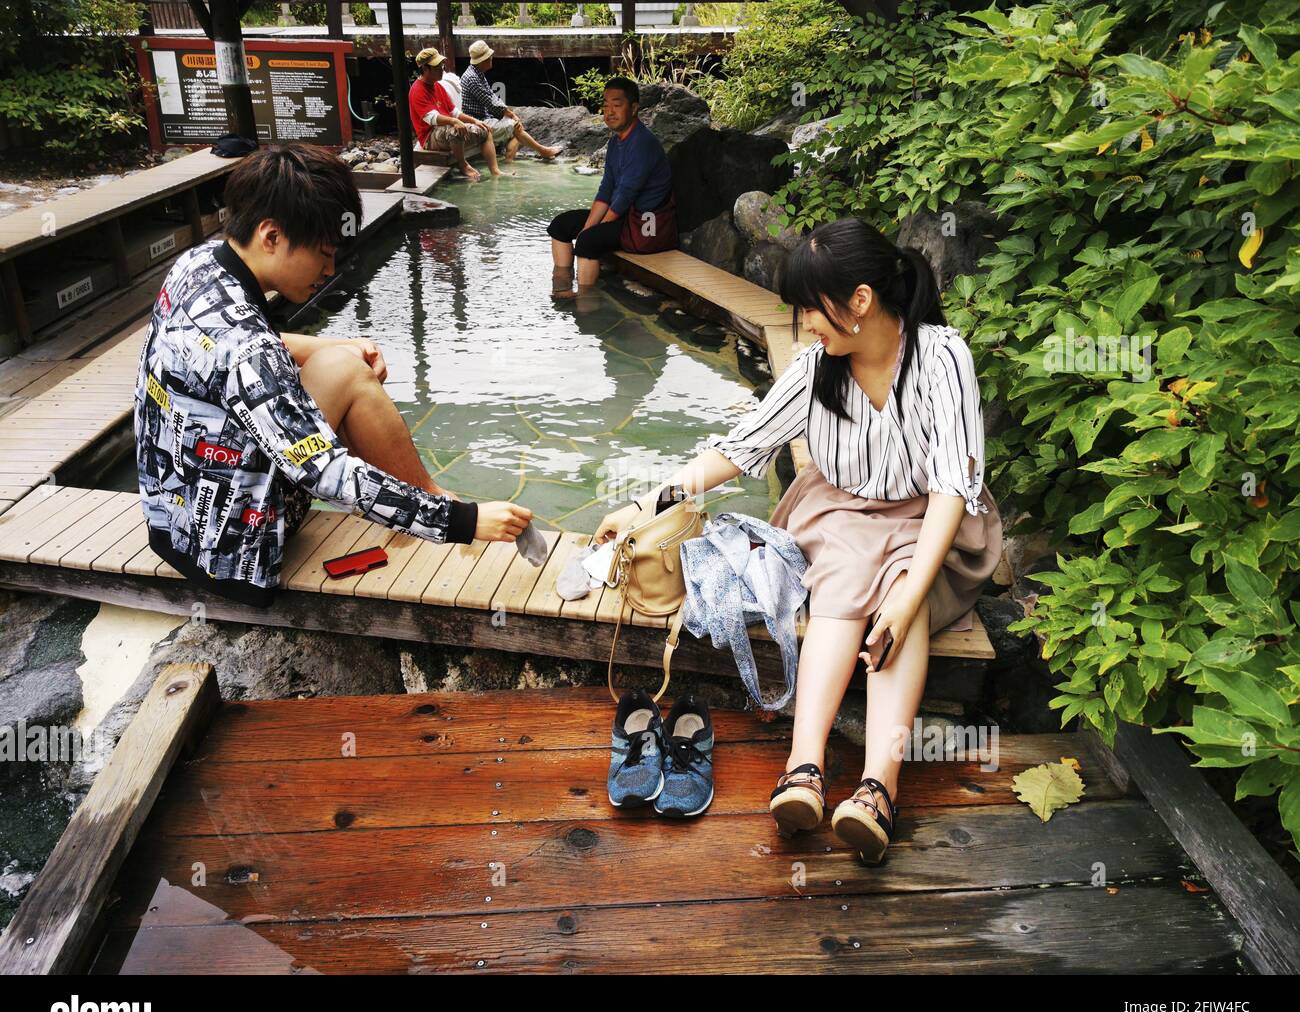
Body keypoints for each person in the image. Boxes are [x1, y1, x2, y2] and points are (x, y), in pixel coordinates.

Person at [595, 219, 1003, 864]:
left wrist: (907, 599)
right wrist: (645, 504)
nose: (805, 323)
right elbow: (740, 448)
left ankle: (879, 789)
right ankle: (804, 770)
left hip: (931, 522)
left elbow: (953, 488)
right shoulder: (818, 367)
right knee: (842, 582)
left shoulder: (940, 357)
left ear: (860, 300)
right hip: (838, 512)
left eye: (812, 308)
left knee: (904, 595)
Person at [134, 143, 532, 607]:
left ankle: (428, 497)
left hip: (175, 519)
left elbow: (247, 345)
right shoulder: (246, 348)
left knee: (341, 363)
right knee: (347, 380)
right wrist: (464, 523)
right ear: (271, 235)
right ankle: (437, 503)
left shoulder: (199, 263)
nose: (329, 270)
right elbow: (324, 472)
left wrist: (336, 345)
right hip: (232, 553)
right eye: (323, 254)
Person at [548, 76, 677, 293]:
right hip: (625, 218)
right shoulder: (615, 142)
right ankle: (562, 287)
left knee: (588, 241)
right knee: (561, 225)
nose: (609, 112)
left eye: (616, 105)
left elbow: (625, 194)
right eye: (606, 106)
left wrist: (592, 232)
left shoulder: (642, 142)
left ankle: (584, 300)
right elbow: (606, 190)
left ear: (633, 108)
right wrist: (588, 227)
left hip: (646, 226)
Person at [407, 46, 505, 181]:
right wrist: (454, 121)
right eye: (437, 67)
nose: (442, 70)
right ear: (425, 69)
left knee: (485, 130)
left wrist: (475, 121)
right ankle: (463, 165)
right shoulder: (417, 90)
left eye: (442, 66)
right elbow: (432, 118)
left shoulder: (438, 86)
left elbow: (454, 112)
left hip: (445, 130)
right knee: (455, 130)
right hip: (429, 137)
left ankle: (495, 172)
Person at [460, 40, 561, 162]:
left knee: (516, 126)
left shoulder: (477, 73)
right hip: (477, 122)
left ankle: (509, 162)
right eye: (489, 57)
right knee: (515, 126)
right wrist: (511, 115)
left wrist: (509, 114)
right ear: (483, 60)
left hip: (484, 118)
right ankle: (543, 151)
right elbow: (491, 103)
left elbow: (493, 96)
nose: (491, 58)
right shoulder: (472, 78)